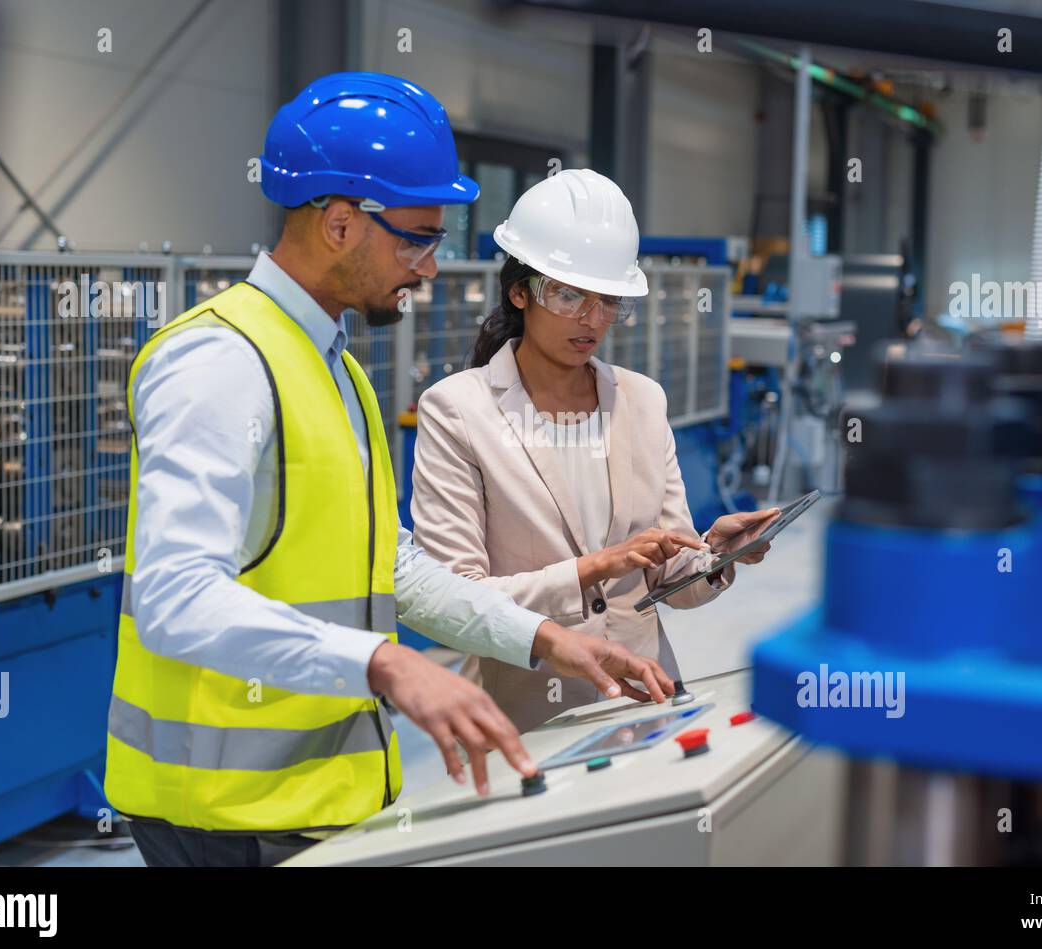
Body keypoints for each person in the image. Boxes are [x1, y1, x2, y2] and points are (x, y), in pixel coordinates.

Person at [104, 76, 673, 867]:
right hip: (225, 817)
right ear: (339, 223)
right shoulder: (220, 362)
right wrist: (383, 660)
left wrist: (544, 637)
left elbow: (394, 567)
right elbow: (174, 597)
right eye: (417, 239)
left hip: (316, 804)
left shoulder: (333, 366)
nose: (431, 268)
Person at [411, 169, 778, 732]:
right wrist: (588, 569)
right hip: (528, 716)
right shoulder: (458, 411)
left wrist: (714, 557)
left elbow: (668, 584)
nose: (593, 320)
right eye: (569, 295)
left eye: (609, 301)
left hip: (646, 698)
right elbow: (455, 598)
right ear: (519, 291)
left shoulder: (642, 401)